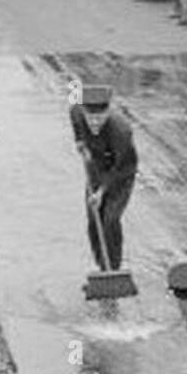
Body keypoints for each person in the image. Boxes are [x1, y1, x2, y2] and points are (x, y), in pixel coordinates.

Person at [70, 84, 136, 271]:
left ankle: (113, 268)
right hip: (96, 169)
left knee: (110, 220)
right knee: (93, 221)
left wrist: (101, 192)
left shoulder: (121, 130)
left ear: (108, 113)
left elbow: (121, 165)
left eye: (100, 118)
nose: (94, 123)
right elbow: (74, 117)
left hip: (121, 174)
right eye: (90, 119)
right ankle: (102, 266)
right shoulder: (78, 112)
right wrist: (80, 141)